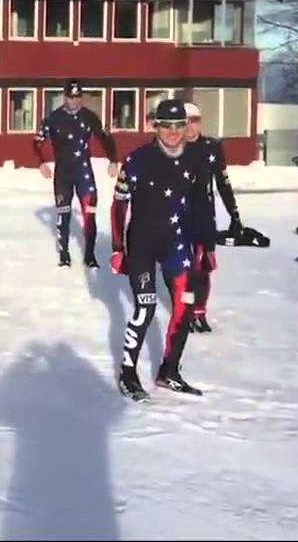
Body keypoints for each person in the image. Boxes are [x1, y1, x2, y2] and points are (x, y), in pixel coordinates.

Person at [110, 99, 202, 401]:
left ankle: (168, 371)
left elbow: (200, 206)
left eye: (179, 125)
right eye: (166, 125)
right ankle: (128, 373)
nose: (173, 132)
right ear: (155, 126)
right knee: (146, 307)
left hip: (177, 243)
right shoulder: (138, 159)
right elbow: (119, 204)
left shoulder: (194, 159)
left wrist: (205, 245)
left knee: (186, 303)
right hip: (142, 246)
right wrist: (118, 247)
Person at [35, 80, 117, 268]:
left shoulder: (89, 117)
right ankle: (64, 254)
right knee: (63, 215)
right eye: (71, 97)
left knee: (90, 213)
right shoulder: (54, 118)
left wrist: (113, 159)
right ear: (65, 97)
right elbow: (36, 142)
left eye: (78, 97)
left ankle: (90, 255)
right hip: (63, 173)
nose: (74, 101)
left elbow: (105, 138)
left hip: (83, 172)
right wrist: (41, 162)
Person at [182, 102, 242, 334]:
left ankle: (200, 311)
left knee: (203, 266)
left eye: (194, 121)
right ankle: (185, 311)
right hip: (179, 215)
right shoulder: (172, 146)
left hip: (204, 214)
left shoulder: (211, 147)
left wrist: (234, 214)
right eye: (185, 122)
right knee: (184, 266)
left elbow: (223, 182)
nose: (190, 127)